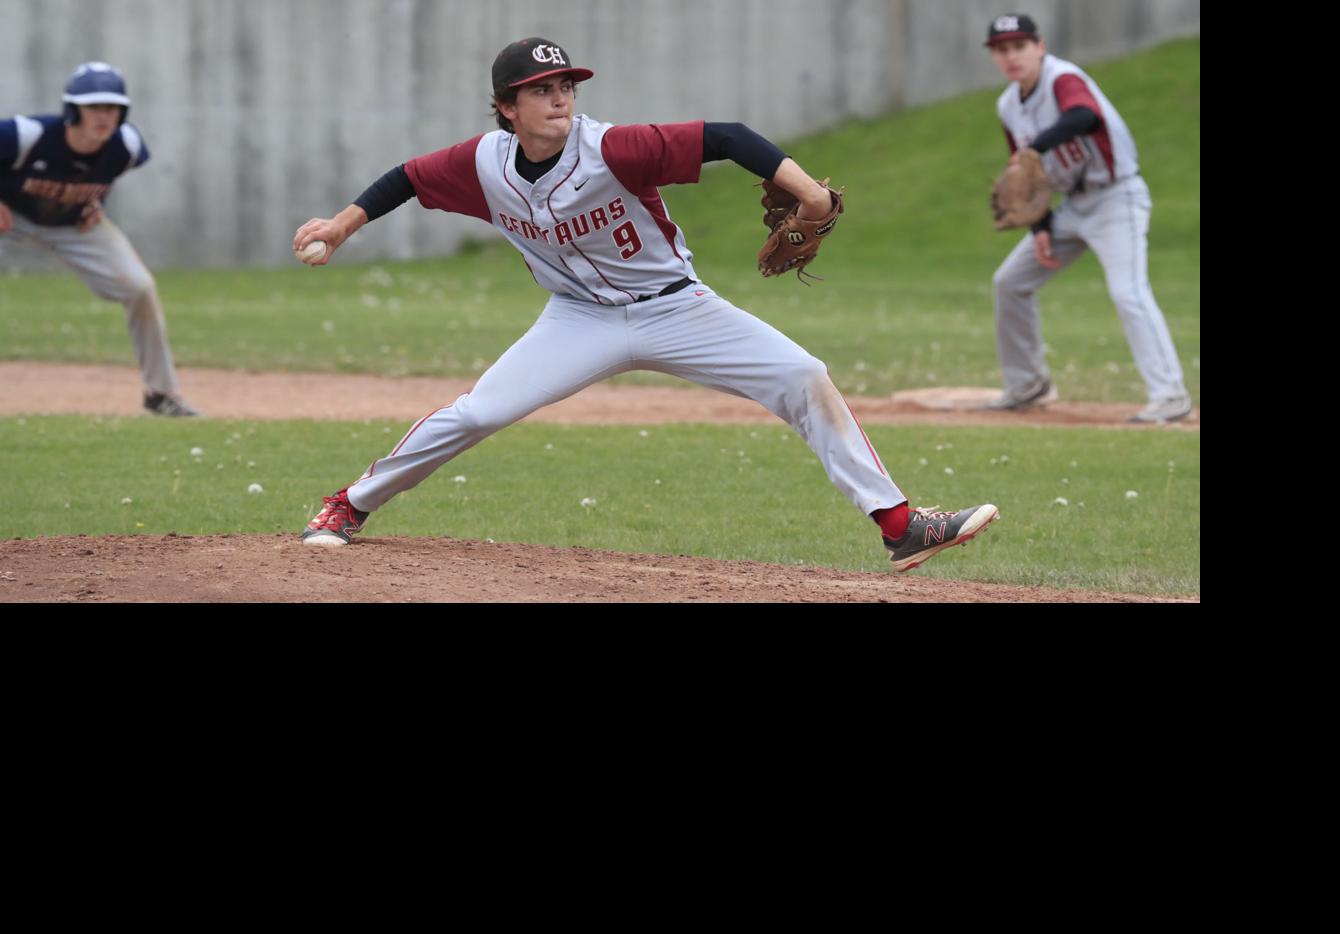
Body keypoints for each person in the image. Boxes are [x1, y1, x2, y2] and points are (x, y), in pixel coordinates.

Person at [291, 38, 997, 572]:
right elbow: (408, 178)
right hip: (577, 318)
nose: (559, 95)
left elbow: (727, 137)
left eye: (565, 82)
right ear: (507, 108)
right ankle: (349, 504)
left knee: (802, 374)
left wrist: (810, 193)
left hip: (676, 308)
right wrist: (341, 225)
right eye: (540, 89)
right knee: (479, 411)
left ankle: (900, 524)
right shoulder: (483, 163)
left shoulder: (613, 149)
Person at [979, 14, 1191, 424]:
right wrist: (1040, 227)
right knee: (1010, 283)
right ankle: (1029, 385)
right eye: (1002, 50)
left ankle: (1170, 396)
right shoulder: (1008, 105)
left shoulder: (1063, 78)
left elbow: (1084, 117)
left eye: (1019, 46)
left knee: (1129, 292)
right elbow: (1027, 181)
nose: (1011, 56)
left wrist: (1036, 147)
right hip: (1071, 208)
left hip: (1116, 199)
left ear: (1039, 47)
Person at [1, 62, 199, 417]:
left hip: (73, 224)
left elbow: (94, 175)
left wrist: (96, 201)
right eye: (92, 106)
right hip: (10, 214)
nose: (102, 115)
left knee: (140, 288)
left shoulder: (127, 147)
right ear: (72, 109)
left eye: (111, 107)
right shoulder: (26, 134)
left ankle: (161, 394)